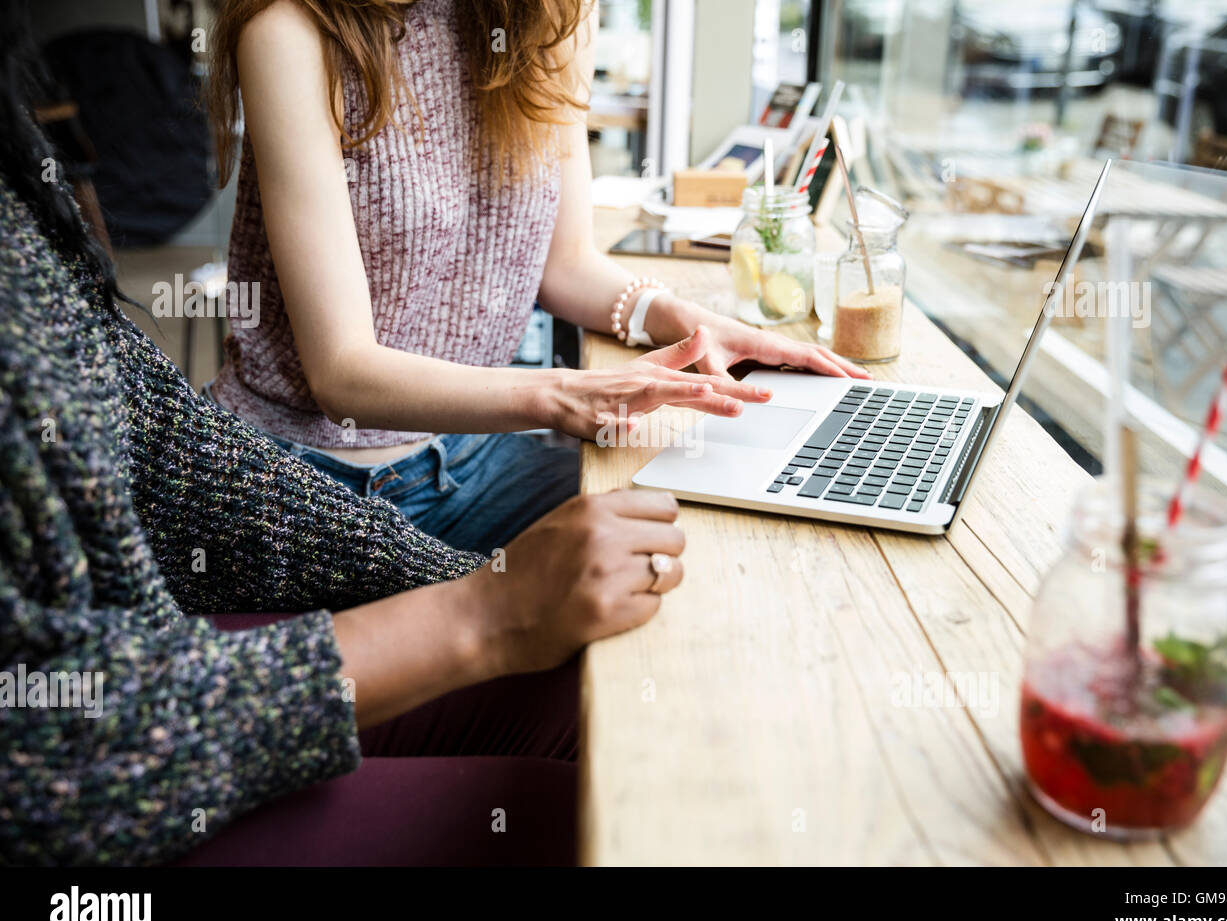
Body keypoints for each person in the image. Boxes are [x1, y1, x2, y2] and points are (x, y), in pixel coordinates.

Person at [0, 1, 684, 865]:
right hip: (147, 717)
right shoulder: (288, 31)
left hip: (371, 514)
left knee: (618, 657)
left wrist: (668, 316)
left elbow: (162, 444)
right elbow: (46, 747)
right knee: (572, 799)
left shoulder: (14, 166)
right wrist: (487, 607)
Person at [204, 0, 868, 554]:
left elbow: (566, 263)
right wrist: (563, 394)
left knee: (713, 531)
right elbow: (343, 377)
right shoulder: (289, 29)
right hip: (306, 483)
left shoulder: (549, 17)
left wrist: (688, 323)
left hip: (471, 457)